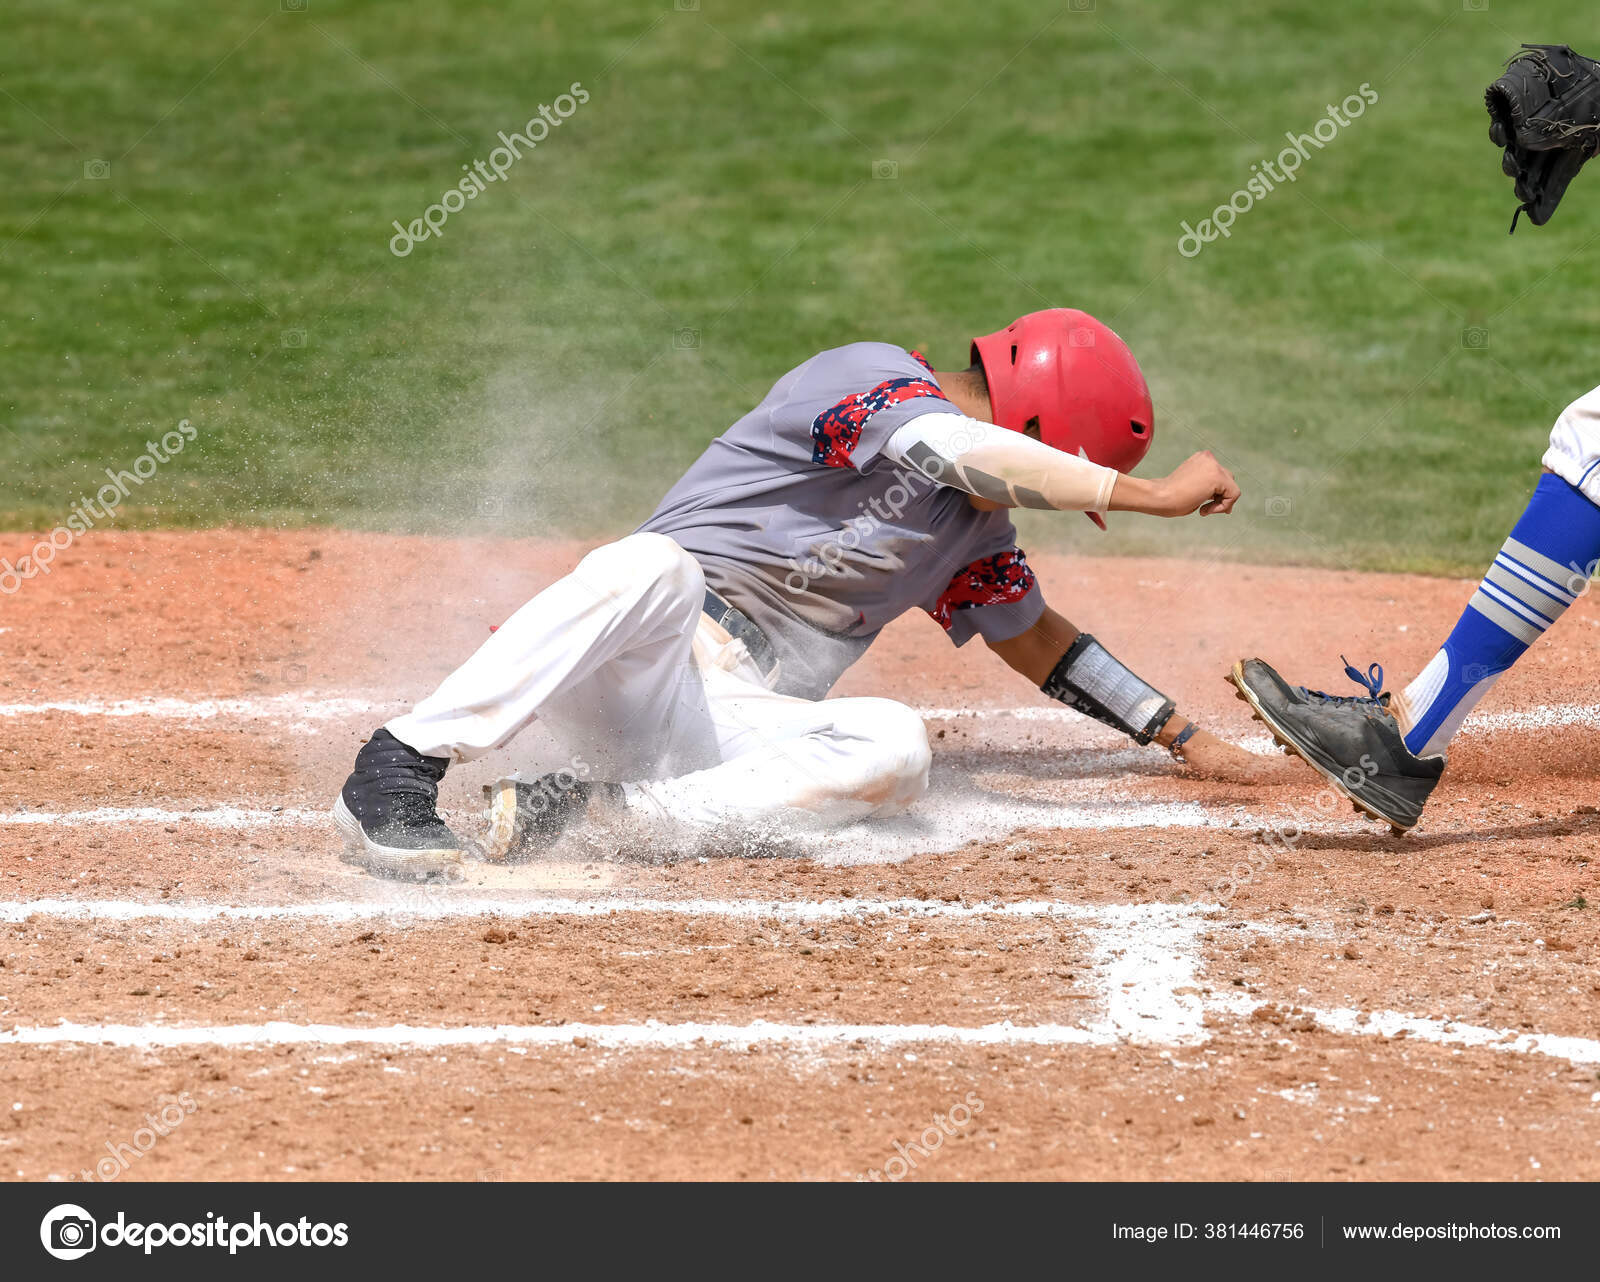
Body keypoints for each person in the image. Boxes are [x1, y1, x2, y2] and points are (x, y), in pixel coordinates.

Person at [335, 308, 1249, 879]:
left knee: (896, 744)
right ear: (1036, 428)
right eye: (1056, 465)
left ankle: (597, 814)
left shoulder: (973, 531)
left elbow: (1040, 640)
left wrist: (1188, 739)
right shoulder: (866, 377)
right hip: (627, 656)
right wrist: (1152, 495)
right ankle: (398, 765)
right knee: (657, 565)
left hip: (712, 725)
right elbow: (952, 450)